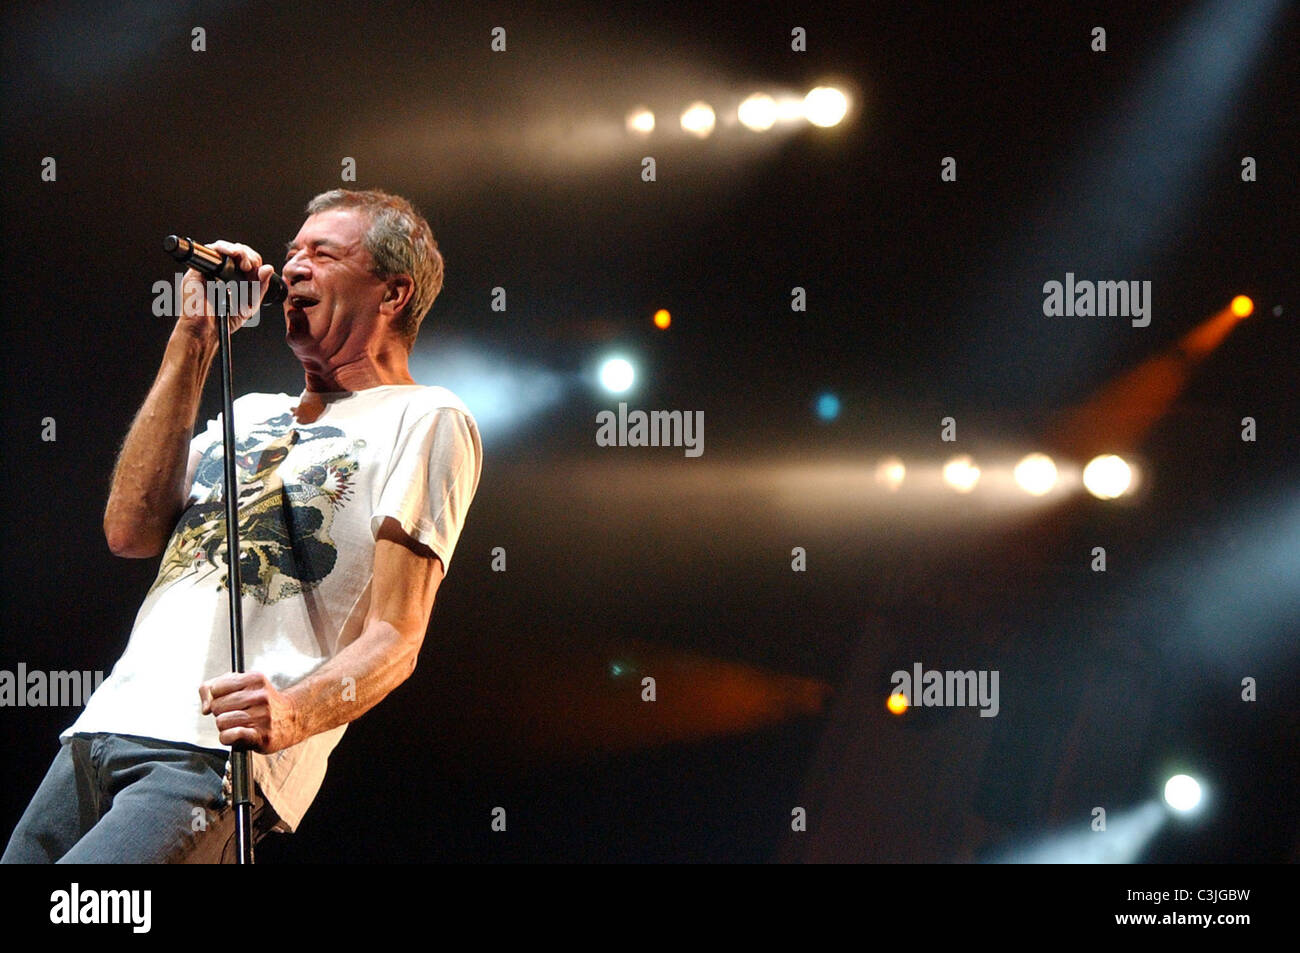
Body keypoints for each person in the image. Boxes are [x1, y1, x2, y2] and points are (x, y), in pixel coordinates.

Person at [2, 189, 481, 863]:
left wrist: (295, 712)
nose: (292, 269)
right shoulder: (248, 408)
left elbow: (397, 637)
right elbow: (129, 528)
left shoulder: (428, 416)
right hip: (100, 729)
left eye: (323, 253)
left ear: (393, 293)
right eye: (291, 253)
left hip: (210, 758)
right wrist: (193, 340)